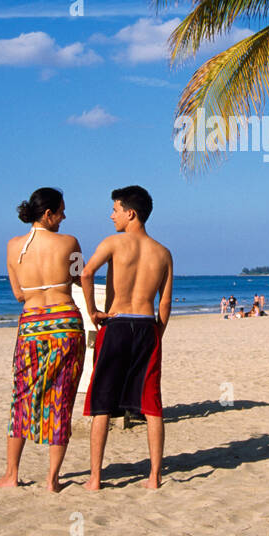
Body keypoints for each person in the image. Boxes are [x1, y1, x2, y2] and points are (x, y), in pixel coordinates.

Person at [0, 187, 87, 494]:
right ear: (49, 214)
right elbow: (80, 278)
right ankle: (52, 480)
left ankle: (11, 474)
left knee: (21, 396)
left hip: (32, 324)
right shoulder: (69, 242)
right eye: (61, 211)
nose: (64, 216)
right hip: (65, 324)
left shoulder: (12, 246)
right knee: (60, 398)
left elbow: (19, 294)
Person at [79, 185, 172, 491]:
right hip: (146, 326)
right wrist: (157, 331)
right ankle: (154, 477)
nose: (111, 215)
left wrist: (92, 311)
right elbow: (165, 303)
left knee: (102, 402)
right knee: (151, 404)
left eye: (115, 209)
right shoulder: (163, 253)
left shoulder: (114, 243)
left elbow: (86, 273)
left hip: (116, 324)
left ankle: (95, 479)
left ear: (130, 213)